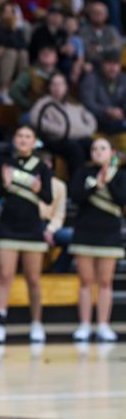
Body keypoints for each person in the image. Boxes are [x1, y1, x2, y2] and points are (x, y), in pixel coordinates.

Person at [0, 125, 52, 345]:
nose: (24, 139)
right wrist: (5, 185)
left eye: (28, 136)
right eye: (20, 135)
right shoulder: (6, 164)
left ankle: (36, 323)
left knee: (33, 279)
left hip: (32, 228)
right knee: (5, 276)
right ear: (15, 140)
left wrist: (37, 190)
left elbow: (49, 198)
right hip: (8, 227)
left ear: (34, 141)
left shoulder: (42, 167)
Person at [68, 138, 126, 343]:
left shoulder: (119, 176)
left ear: (112, 153)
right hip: (85, 232)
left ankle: (103, 325)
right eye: (94, 149)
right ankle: (84, 324)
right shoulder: (83, 173)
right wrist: (95, 185)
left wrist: (107, 182)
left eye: (103, 148)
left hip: (109, 234)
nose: (98, 152)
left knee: (105, 282)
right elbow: (75, 196)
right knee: (85, 282)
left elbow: (122, 200)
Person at [28, 71, 97, 176]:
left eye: (60, 84)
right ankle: (76, 185)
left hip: (80, 137)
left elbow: (92, 121)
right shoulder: (44, 102)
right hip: (57, 140)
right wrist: (58, 129)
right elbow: (33, 118)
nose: (57, 88)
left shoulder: (74, 103)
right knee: (75, 149)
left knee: (96, 146)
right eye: (54, 84)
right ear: (49, 87)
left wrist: (83, 131)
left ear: (66, 86)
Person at [0, 1, 29, 103]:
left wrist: (13, 31)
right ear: (0, 14)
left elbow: (23, 46)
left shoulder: (17, 30)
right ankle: (2, 89)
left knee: (23, 53)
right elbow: (6, 42)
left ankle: (21, 87)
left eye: (11, 12)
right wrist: (12, 32)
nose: (9, 15)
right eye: (6, 12)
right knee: (11, 52)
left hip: (13, 59)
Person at [79, 50, 126, 133]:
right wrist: (107, 110)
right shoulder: (91, 79)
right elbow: (88, 104)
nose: (113, 67)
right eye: (109, 63)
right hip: (98, 121)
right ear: (102, 64)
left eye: (116, 64)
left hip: (119, 119)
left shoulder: (123, 79)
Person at [8, 44, 58, 111]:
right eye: (43, 52)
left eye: (50, 51)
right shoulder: (30, 72)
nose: (46, 53)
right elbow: (14, 91)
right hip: (33, 112)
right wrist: (29, 106)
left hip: (55, 112)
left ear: (56, 57)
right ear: (39, 56)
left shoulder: (59, 74)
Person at [79, 0, 122, 67]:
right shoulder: (84, 31)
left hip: (110, 66)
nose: (98, 16)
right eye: (95, 13)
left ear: (106, 15)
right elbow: (85, 49)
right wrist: (105, 50)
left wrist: (100, 49)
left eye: (100, 13)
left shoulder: (112, 31)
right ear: (90, 15)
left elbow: (116, 48)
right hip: (90, 65)